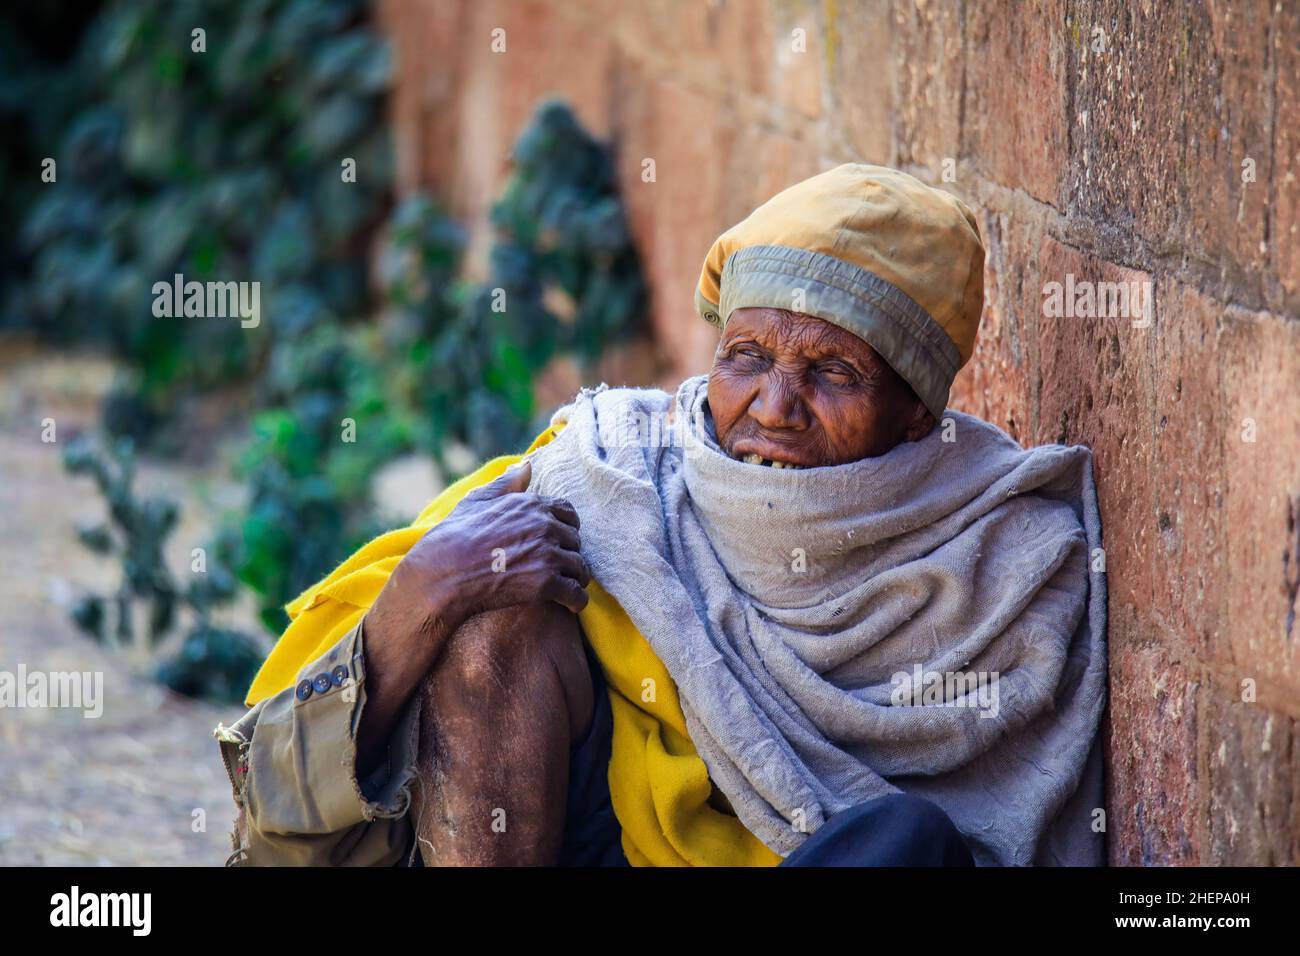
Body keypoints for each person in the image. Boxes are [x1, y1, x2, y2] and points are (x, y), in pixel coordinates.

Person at [214, 164, 1107, 867]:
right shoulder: (608, 474)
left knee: (906, 843)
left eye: (834, 373)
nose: (774, 406)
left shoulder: (1004, 555)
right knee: (500, 626)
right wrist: (419, 601)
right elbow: (273, 820)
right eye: (746, 356)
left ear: (917, 412)